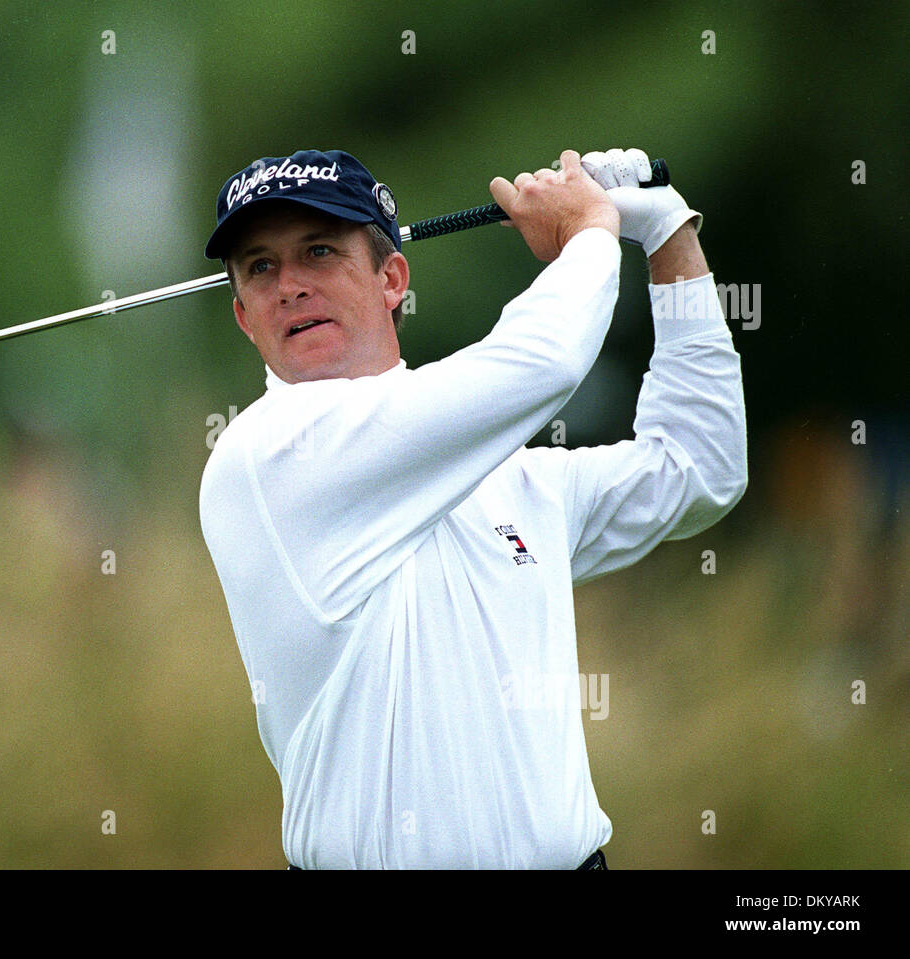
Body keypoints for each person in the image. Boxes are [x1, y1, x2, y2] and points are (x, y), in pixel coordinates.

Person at [197, 146, 747, 869]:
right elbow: (543, 361)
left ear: (392, 277)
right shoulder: (265, 454)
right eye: (261, 266)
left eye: (319, 250)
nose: (290, 285)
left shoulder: (505, 478)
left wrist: (670, 235)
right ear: (243, 315)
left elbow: (699, 467)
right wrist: (589, 230)